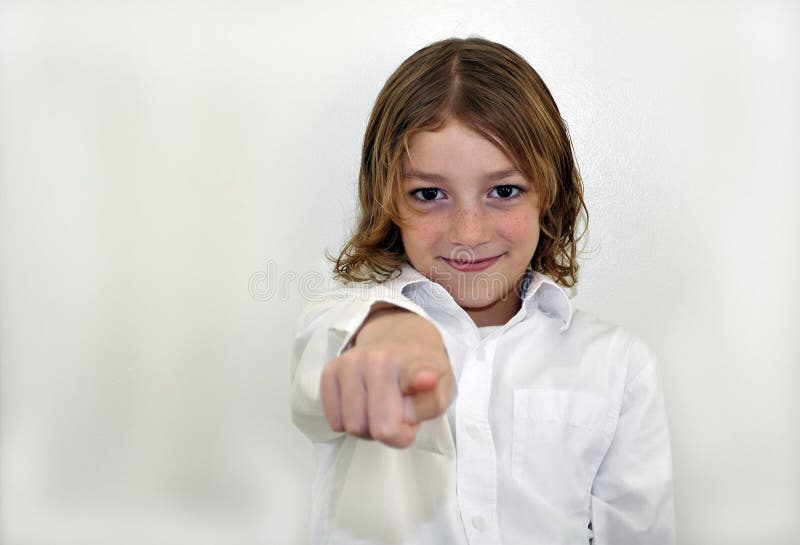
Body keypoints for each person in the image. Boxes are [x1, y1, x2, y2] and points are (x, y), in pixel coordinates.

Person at [291, 36, 676, 545]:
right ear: (387, 199)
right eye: (429, 194)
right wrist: (390, 335)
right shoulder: (340, 322)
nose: (469, 232)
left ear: (550, 193)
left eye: (504, 191)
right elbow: (329, 358)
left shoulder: (619, 364)